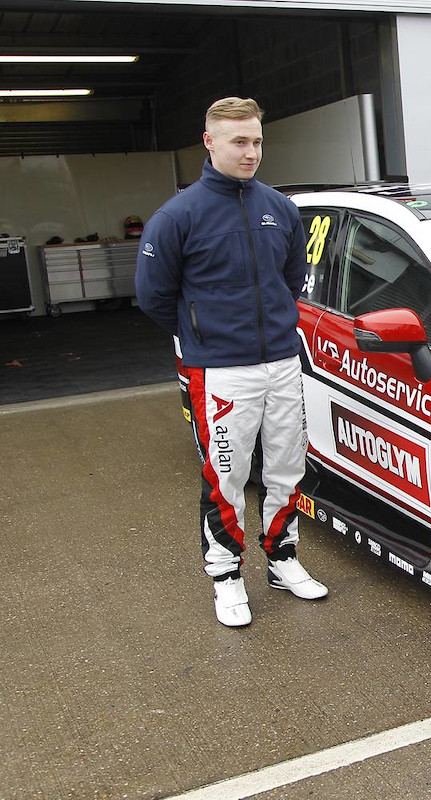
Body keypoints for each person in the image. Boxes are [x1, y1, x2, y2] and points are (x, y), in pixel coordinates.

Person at [135, 97, 327, 628]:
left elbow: (290, 282)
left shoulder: (281, 209)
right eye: (239, 142)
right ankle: (226, 577)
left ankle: (282, 559)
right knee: (227, 476)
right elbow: (154, 296)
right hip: (220, 369)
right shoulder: (178, 216)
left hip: (283, 362)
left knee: (287, 468)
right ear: (209, 142)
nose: (251, 152)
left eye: (257, 141)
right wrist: (205, 335)